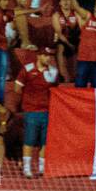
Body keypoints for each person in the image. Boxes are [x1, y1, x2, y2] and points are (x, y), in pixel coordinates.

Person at [13, 49, 58, 179]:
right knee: (29, 140)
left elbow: (55, 89)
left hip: (46, 111)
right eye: (46, 55)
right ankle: (27, 169)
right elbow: (17, 88)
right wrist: (29, 101)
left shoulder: (53, 71)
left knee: (45, 141)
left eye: (50, 56)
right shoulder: (27, 69)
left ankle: (42, 169)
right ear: (39, 56)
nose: (48, 58)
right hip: (31, 111)